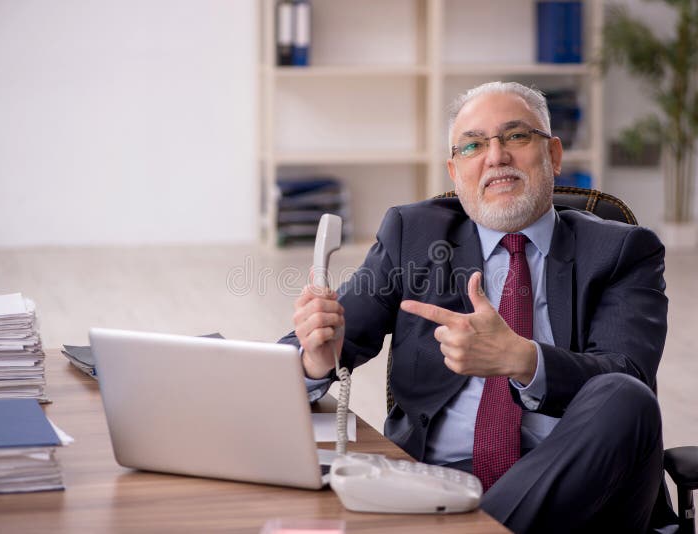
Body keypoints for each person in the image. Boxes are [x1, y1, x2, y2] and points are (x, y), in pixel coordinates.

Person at [280, 81, 676, 533]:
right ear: (455, 171)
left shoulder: (623, 251)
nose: (495, 156)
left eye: (516, 136)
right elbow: (331, 338)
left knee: (625, 397)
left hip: (578, 485)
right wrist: (316, 356)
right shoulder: (414, 235)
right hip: (437, 486)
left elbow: (628, 373)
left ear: (554, 155)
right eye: (472, 145)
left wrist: (523, 360)